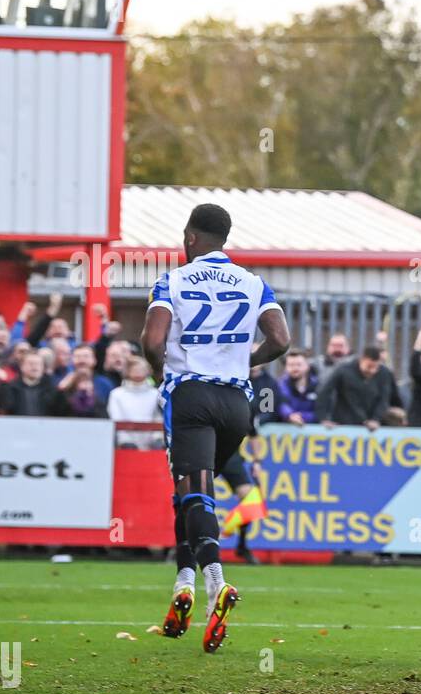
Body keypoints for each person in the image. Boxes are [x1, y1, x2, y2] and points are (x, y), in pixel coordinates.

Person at [140, 203, 291, 653]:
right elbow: (281, 340)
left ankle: (215, 583)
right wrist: (245, 361)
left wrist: (158, 372)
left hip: (191, 396)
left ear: (190, 237)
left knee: (196, 494)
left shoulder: (172, 280)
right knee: (188, 492)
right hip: (236, 404)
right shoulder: (253, 282)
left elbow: (152, 340)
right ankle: (182, 585)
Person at [316, 344, 393, 429]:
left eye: (376, 367)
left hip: (372, 425)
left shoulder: (384, 373)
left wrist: (376, 419)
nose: (372, 371)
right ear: (362, 359)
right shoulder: (344, 370)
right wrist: (323, 418)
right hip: (344, 423)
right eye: (369, 366)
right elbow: (325, 392)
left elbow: (384, 399)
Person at [107, 356, 163, 449]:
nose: (138, 372)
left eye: (141, 369)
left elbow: (158, 417)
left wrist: (157, 438)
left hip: (153, 447)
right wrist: (124, 441)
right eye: (134, 369)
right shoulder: (116, 394)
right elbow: (116, 418)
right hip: (125, 446)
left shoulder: (156, 394)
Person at [0, 350, 58, 417]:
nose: (35, 367)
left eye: (38, 364)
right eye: (31, 364)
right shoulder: (10, 388)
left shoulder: (51, 389)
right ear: (21, 366)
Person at [275, 350, 319, 425]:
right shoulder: (280, 385)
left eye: (299, 364)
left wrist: (302, 417)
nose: (295, 368)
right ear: (286, 367)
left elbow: (321, 410)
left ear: (307, 366)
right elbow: (280, 404)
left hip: (314, 430)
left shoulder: (318, 385)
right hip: (286, 429)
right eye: (291, 365)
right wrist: (289, 415)